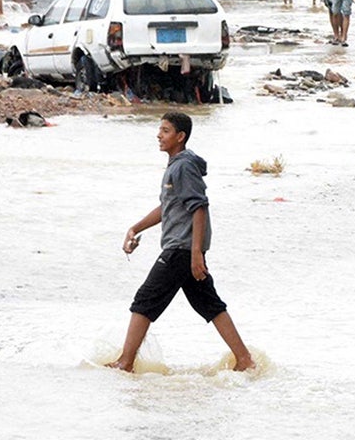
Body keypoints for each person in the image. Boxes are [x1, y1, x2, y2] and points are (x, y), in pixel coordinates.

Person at [108, 112, 254, 374]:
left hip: (181, 250)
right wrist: (135, 227)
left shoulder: (183, 167)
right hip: (185, 250)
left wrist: (196, 254)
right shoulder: (176, 165)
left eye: (165, 131)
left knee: (144, 301)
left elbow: (199, 208)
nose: (158, 135)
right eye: (159, 129)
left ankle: (125, 362)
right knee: (210, 305)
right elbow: (168, 206)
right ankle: (245, 360)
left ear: (180, 136)